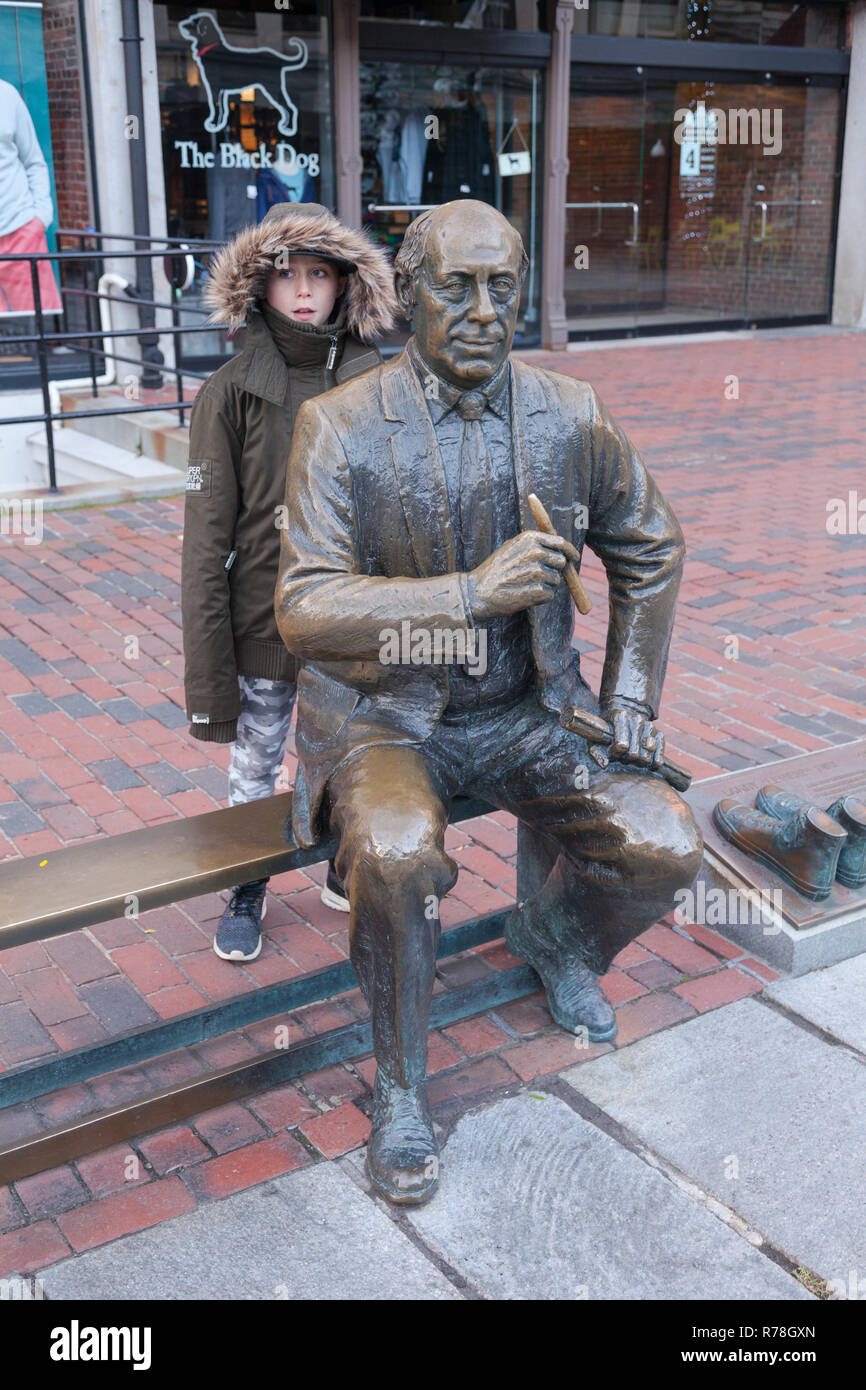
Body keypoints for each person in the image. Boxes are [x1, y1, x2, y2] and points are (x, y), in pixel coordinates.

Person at [275, 200, 703, 1205]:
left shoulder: (571, 412)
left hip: (525, 709)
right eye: (453, 287)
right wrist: (470, 592)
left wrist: (629, 693)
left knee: (663, 840)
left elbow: (653, 544)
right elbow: (303, 608)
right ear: (407, 295)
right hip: (388, 716)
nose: (478, 309)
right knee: (391, 853)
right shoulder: (337, 426)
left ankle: (551, 936)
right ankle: (401, 1085)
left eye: (499, 287)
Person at [182, 201, 397, 962]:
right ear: (259, 287)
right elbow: (205, 543)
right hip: (263, 617)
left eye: (320, 274)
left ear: (345, 285)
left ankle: (343, 854)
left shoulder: (379, 381)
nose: (304, 291)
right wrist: (208, 679)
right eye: (286, 276)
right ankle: (249, 880)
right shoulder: (231, 392)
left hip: (350, 615)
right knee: (258, 758)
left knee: (346, 748)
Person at [0, 78, 61, 317]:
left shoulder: (6, 95)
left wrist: (40, 219)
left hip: (21, 232)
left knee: (37, 329)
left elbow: (34, 161)